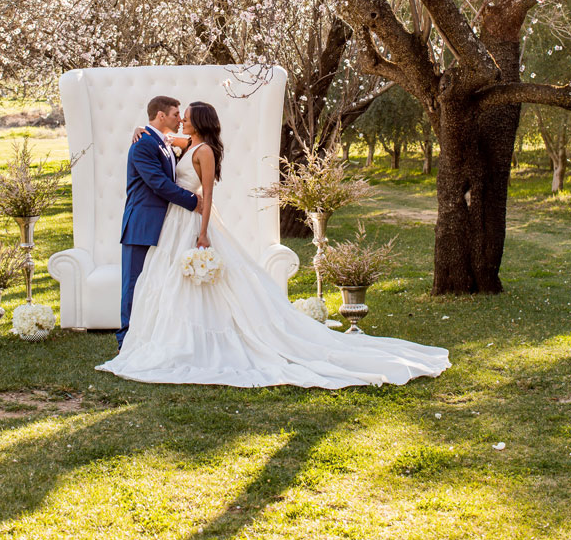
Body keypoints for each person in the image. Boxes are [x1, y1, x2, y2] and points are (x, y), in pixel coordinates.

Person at [99, 102, 450, 387]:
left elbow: (207, 193)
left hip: (193, 222)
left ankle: (206, 342)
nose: (181, 123)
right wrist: (144, 129)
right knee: (161, 283)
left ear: (198, 123)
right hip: (172, 224)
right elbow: (164, 141)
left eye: (186, 118)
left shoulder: (203, 150)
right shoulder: (182, 142)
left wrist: (203, 232)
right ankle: (157, 340)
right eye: (179, 117)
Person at [116, 95, 203, 352]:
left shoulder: (160, 141)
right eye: (177, 114)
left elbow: (196, 140)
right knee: (134, 283)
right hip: (142, 224)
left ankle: (149, 334)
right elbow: (157, 183)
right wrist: (192, 201)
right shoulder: (144, 144)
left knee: (154, 283)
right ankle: (125, 341)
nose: (180, 120)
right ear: (161, 115)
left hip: (165, 225)